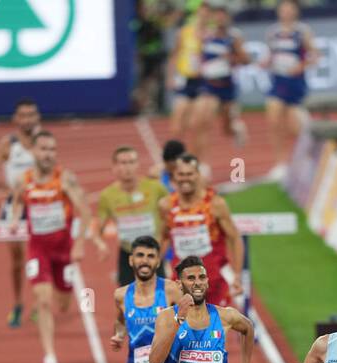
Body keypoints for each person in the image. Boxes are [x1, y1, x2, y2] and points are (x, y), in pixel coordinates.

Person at [8, 130, 105, 363]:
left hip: (63, 252)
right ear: (34, 152)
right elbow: (17, 200)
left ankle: (59, 294)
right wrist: (13, 218)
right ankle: (50, 357)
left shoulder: (65, 179)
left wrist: (80, 244)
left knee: (63, 304)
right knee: (42, 300)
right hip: (37, 249)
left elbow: (85, 213)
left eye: (52, 149)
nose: (48, 154)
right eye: (43, 149)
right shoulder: (24, 179)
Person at [0, 98, 41, 327]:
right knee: (17, 260)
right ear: (16, 119)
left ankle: (38, 305)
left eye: (31, 114)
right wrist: (10, 190)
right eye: (23, 115)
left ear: (37, 117)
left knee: (40, 256)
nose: (27, 119)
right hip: (14, 207)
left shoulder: (44, 142)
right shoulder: (8, 144)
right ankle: (17, 304)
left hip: (40, 205)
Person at [158, 154, 243, 312]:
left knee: (214, 333)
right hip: (180, 285)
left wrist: (237, 276)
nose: (185, 179)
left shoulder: (215, 204)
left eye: (189, 174)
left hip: (212, 282)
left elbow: (235, 237)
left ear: (198, 175)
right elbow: (161, 238)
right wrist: (153, 266)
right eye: (180, 174)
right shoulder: (167, 205)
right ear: (174, 177)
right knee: (181, 333)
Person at [96, 146, 170, 289]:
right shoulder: (107, 195)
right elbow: (98, 228)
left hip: (154, 252)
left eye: (131, 162)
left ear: (137, 164)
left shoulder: (155, 188)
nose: (127, 167)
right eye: (123, 163)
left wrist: (163, 248)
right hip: (127, 254)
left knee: (162, 302)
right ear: (115, 167)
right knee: (126, 303)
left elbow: (171, 215)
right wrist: (100, 243)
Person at [262, 1, 318, 179]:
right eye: (283, 9)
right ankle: (280, 164)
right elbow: (271, 54)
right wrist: (267, 62)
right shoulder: (273, 32)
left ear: (295, 11)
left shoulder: (302, 31)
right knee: (273, 119)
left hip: (295, 83)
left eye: (289, 9)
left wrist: (301, 66)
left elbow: (314, 55)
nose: (285, 12)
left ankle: (308, 159)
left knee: (297, 127)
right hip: (278, 81)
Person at [193, 0, 250, 169]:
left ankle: (237, 128)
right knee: (202, 120)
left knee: (227, 128)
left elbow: (246, 59)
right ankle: (203, 164)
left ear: (227, 17)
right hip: (209, 85)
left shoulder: (234, 37)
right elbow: (201, 56)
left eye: (222, 15)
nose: (219, 18)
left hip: (227, 86)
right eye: (216, 15)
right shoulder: (207, 35)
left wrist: (231, 58)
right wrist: (201, 66)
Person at [168, 5, 207, 143]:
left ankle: (193, 157)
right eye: (200, 14)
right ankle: (176, 153)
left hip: (203, 81)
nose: (203, 17)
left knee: (196, 123)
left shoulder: (211, 35)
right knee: (178, 121)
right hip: (185, 79)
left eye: (206, 15)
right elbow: (174, 55)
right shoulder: (184, 33)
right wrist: (170, 77)